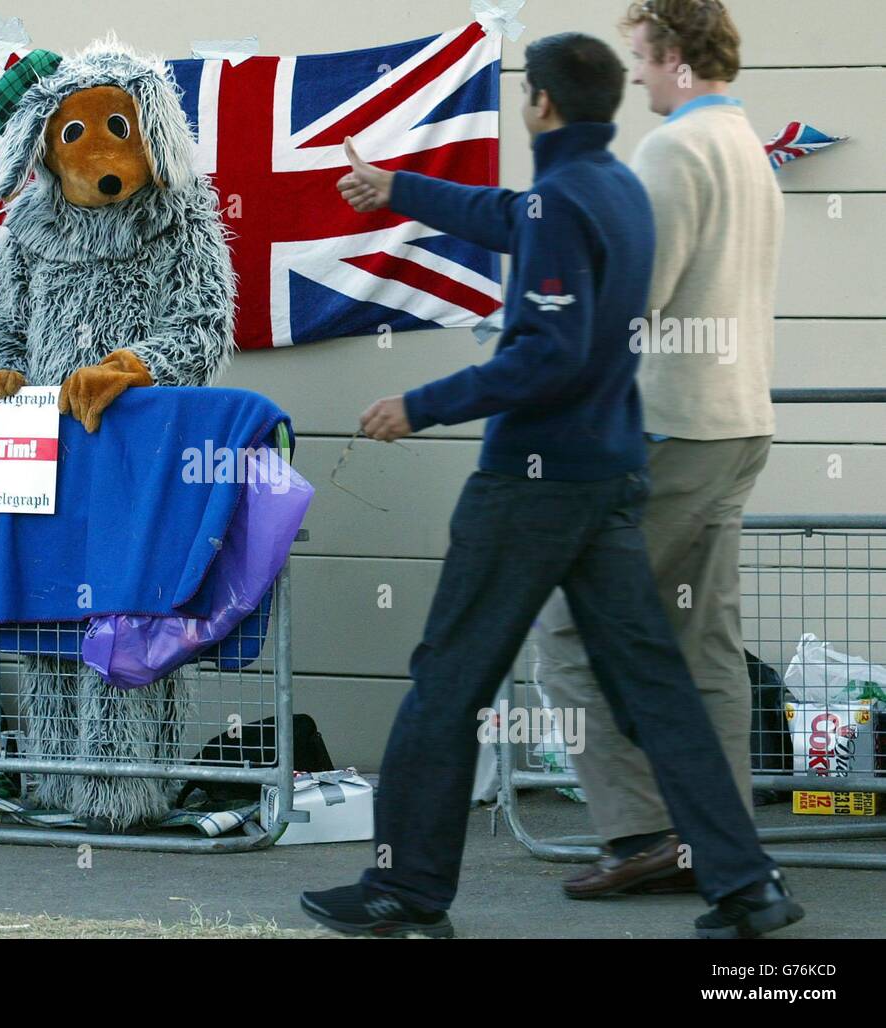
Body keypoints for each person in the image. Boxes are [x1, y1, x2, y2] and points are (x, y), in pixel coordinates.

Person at [299, 31, 801, 940]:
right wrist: (398, 188)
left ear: (541, 104)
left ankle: (405, 892)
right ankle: (748, 885)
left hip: (533, 489)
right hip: (612, 478)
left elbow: (549, 353)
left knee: (447, 681)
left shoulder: (572, 194)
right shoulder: (615, 187)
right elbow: (512, 216)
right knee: (654, 685)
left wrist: (425, 402)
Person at [535, 0, 784, 900]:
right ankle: (722, 843)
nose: (634, 75)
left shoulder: (672, 151)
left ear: (674, 54)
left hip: (670, 429)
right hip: (737, 420)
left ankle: (640, 832)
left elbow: (632, 300)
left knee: (568, 630)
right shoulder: (746, 145)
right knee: (704, 645)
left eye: (641, 57)